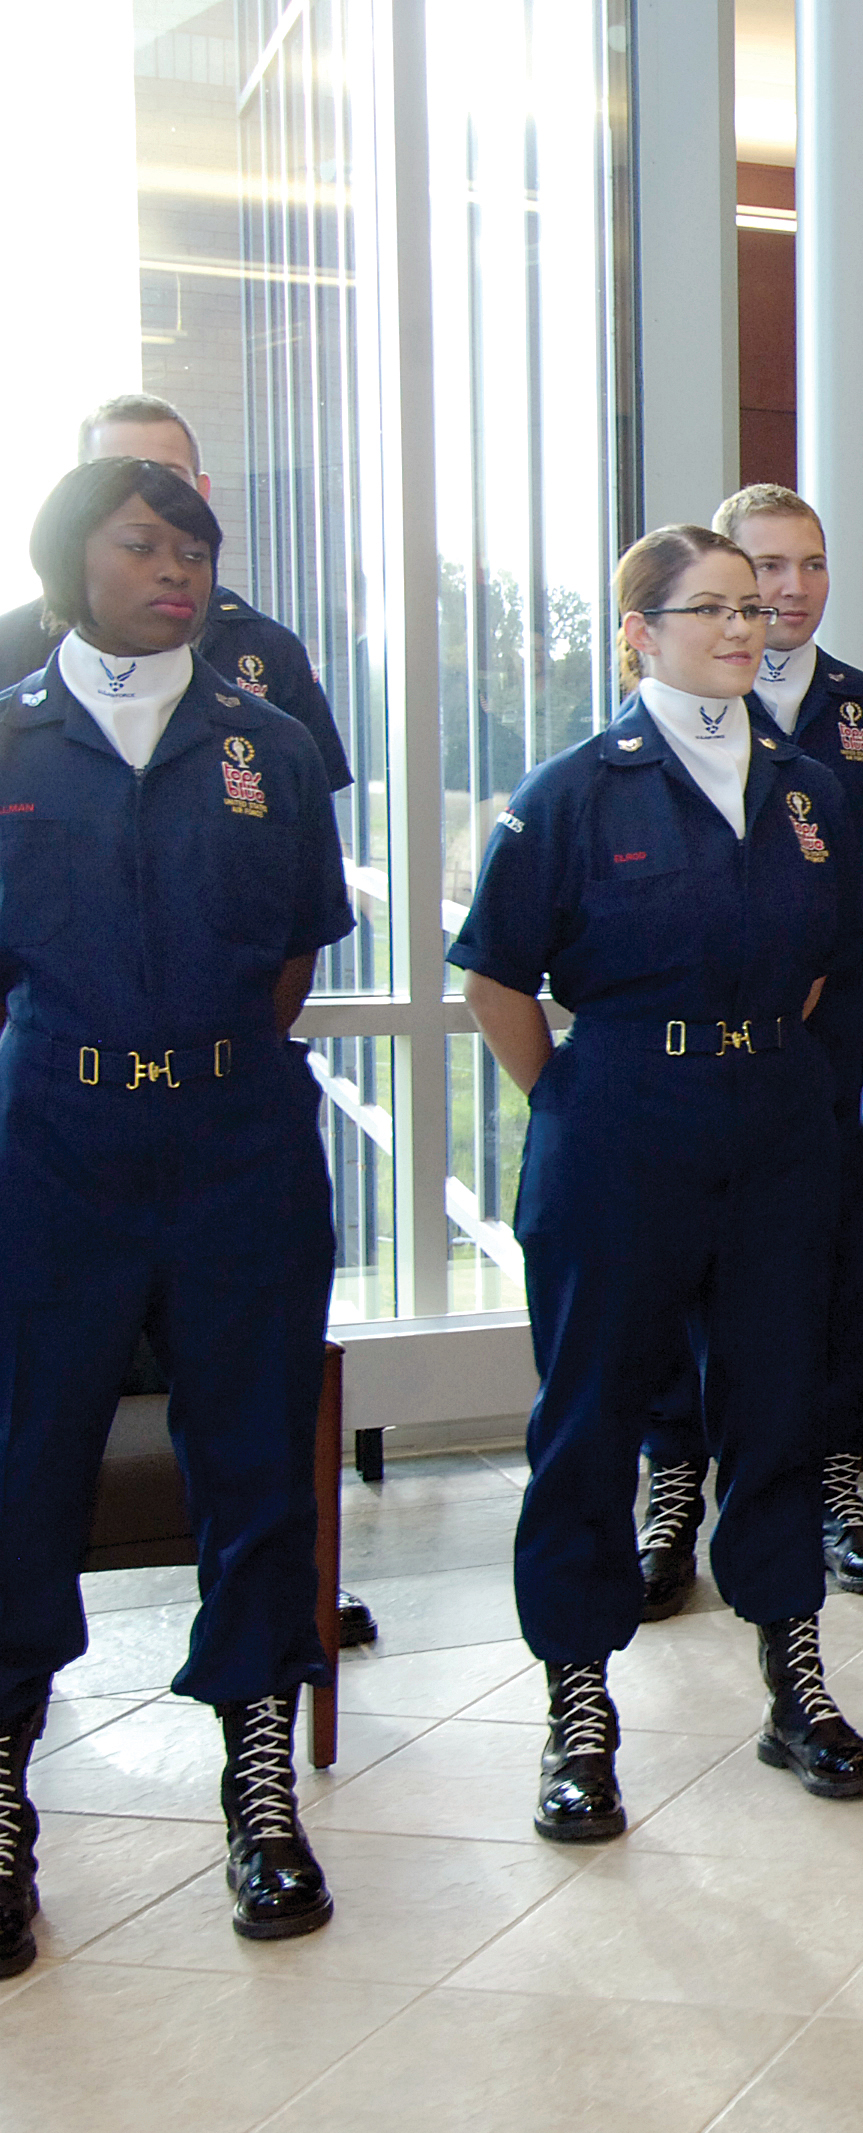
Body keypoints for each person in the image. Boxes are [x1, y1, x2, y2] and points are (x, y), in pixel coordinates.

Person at [452, 525, 863, 1847]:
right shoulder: (575, 791)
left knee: (779, 1403)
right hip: (621, 1123)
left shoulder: (811, 789)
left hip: (774, 1119)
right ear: (638, 632)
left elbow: (825, 962)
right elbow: (497, 977)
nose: (745, 631)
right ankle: (579, 1704)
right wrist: (580, 1102)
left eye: (754, 609)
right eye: (712, 611)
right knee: (589, 1420)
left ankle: (792, 1674)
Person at [0, 457, 355, 1970]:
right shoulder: (9, 740)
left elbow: (293, 953)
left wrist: (195, 1058)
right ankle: (6, 1786)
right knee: (27, 1457)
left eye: (195, 551)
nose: (176, 573)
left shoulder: (263, 743)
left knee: (256, 1450)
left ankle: (259, 1776)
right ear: (72, 559)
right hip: (54, 1143)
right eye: (143, 547)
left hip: (234, 1135)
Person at [630, 484, 863, 1617]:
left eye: (809, 565)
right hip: (695, 1047)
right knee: (682, 1268)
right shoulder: (671, 710)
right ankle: (672, 1482)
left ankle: (838, 1484)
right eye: (762, 572)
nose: (786, 592)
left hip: (835, 1045)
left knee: (840, 1263)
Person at [0, 395, 353, 794]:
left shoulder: (268, 648)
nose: (143, 495)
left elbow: (306, 821)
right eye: (116, 477)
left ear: (201, 491)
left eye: (166, 477)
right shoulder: (11, 646)